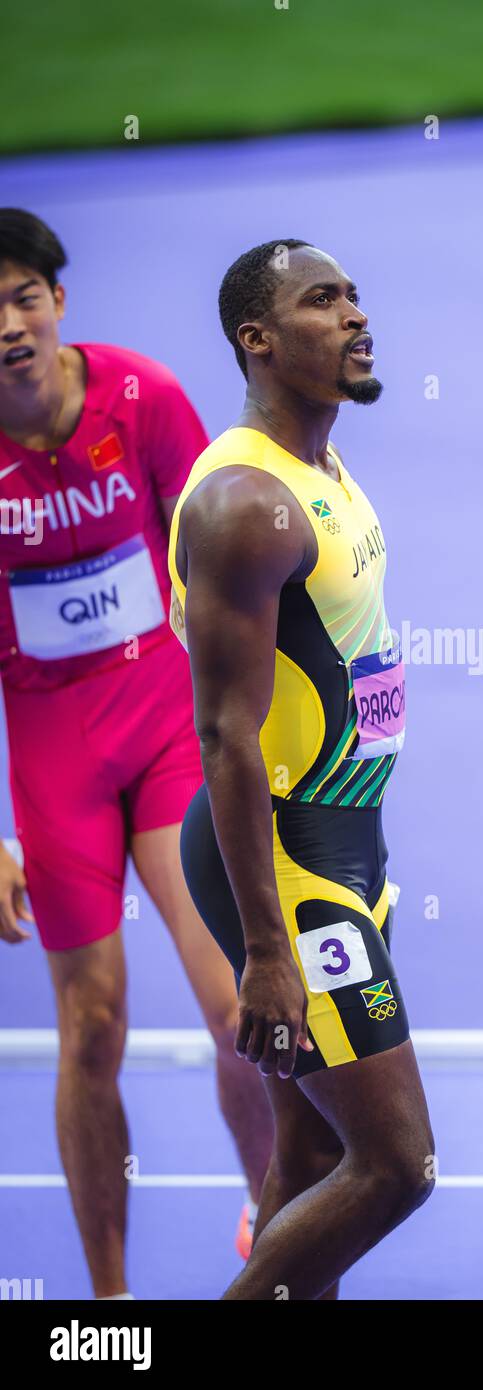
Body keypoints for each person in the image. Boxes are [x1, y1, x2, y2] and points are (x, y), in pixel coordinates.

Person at [0, 208, 273, 1298]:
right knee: (93, 1026)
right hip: (54, 752)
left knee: (239, 1006)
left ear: (59, 300)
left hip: (164, 723)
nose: (8, 323)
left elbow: (221, 576)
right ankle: (110, 1300)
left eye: (23, 295)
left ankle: (278, 1225)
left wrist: (248, 735)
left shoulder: (143, 399)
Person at [169, 238, 435, 1300]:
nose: (355, 314)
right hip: (287, 864)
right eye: (323, 302)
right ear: (259, 339)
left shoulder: (318, 463)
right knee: (394, 1166)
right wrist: (267, 951)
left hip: (344, 840)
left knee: (316, 1159)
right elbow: (226, 736)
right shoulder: (248, 506)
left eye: (355, 294)